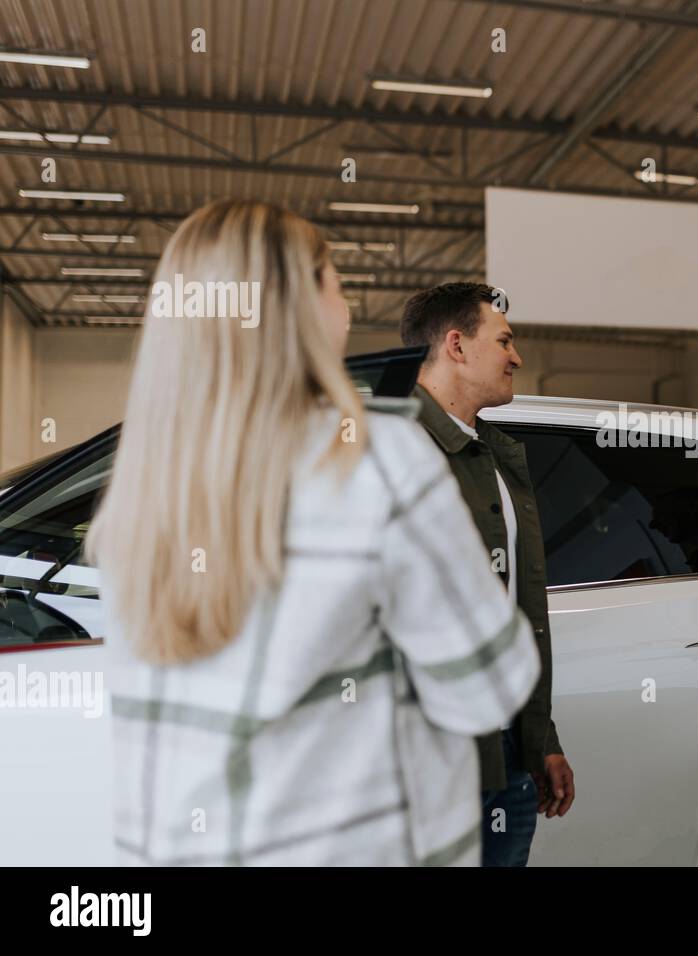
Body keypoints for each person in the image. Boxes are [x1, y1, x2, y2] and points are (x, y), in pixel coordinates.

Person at [90, 200, 539, 866]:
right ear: (299, 307)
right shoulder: (377, 459)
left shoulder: (141, 490)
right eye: (333, 280)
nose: (348, 303)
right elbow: (489, 685)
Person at [399, 283, 574, 867]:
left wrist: (539, 740)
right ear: (455, 345)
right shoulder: (391, 447)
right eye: (504, 340)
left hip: (505, 755)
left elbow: (516, 610)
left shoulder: (496, 458)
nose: (517, 357)